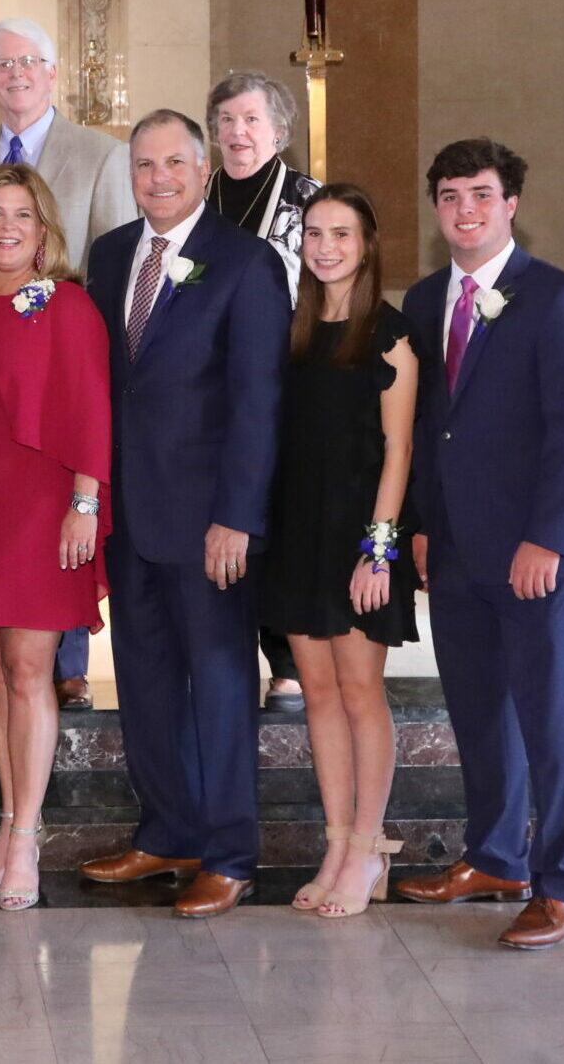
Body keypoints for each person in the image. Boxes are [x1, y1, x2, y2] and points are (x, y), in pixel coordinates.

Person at [393, 138, 564, 952]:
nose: (466, 210)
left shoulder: (558, 300)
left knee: (548, 719)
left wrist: (544, 538)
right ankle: (494, 858)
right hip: (452, 547)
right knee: (477, 713)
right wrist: (419, 525)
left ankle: (561, 885)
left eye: (481, 194)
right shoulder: (421, 300)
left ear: (511, 202)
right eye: (449, 196)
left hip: (534, 552)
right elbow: (420, 431)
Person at [80, 111, 289, 919]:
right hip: (130, 516)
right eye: (144, 165)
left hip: (210, 524)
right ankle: (166, 829)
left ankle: (230, 854)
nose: (158, 177)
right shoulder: (107, 256)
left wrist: (236, 515)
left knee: (222, 684)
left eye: (174, 163)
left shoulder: (246, 263)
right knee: (146, 679)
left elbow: (257, 401)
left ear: (204, 171)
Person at [0, 165, 109, 913]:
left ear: (44, 230)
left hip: (45, 502)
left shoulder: (68, 304)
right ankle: (7, 828)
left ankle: (29, 837)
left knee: (33, 670)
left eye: (23, 215)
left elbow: (93, 406)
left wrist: (84, 502)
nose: (8, 226)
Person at [0, 17, 132, 707]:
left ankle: (68, 661)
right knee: (2, 666)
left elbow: (108, 276)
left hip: (59, 386)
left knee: (36, 650)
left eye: (29, 62)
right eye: (1, 64)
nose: (15, 74)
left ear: (53, 72)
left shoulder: (101, 154)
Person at [253, 184, 420, 919]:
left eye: (341, 235)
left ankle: (370, 845)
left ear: (367, 244)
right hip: (299, 531)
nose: (325, 247)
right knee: (316, 695)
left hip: (360, 539)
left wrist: (378, 552)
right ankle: (337, 843)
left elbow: (399, 450)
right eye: (314, 234)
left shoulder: (391, 334)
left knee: (359, 694)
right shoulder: (290, 330)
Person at [206, 70, 324, 714]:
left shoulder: (310, 201)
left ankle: (285, 660)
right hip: (204, 390)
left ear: (279, 131)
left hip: (284, 382)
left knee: (274, 521)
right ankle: (223, 649)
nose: (238, 132)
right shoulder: (195, 194)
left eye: (251, 120)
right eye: (226, 121)